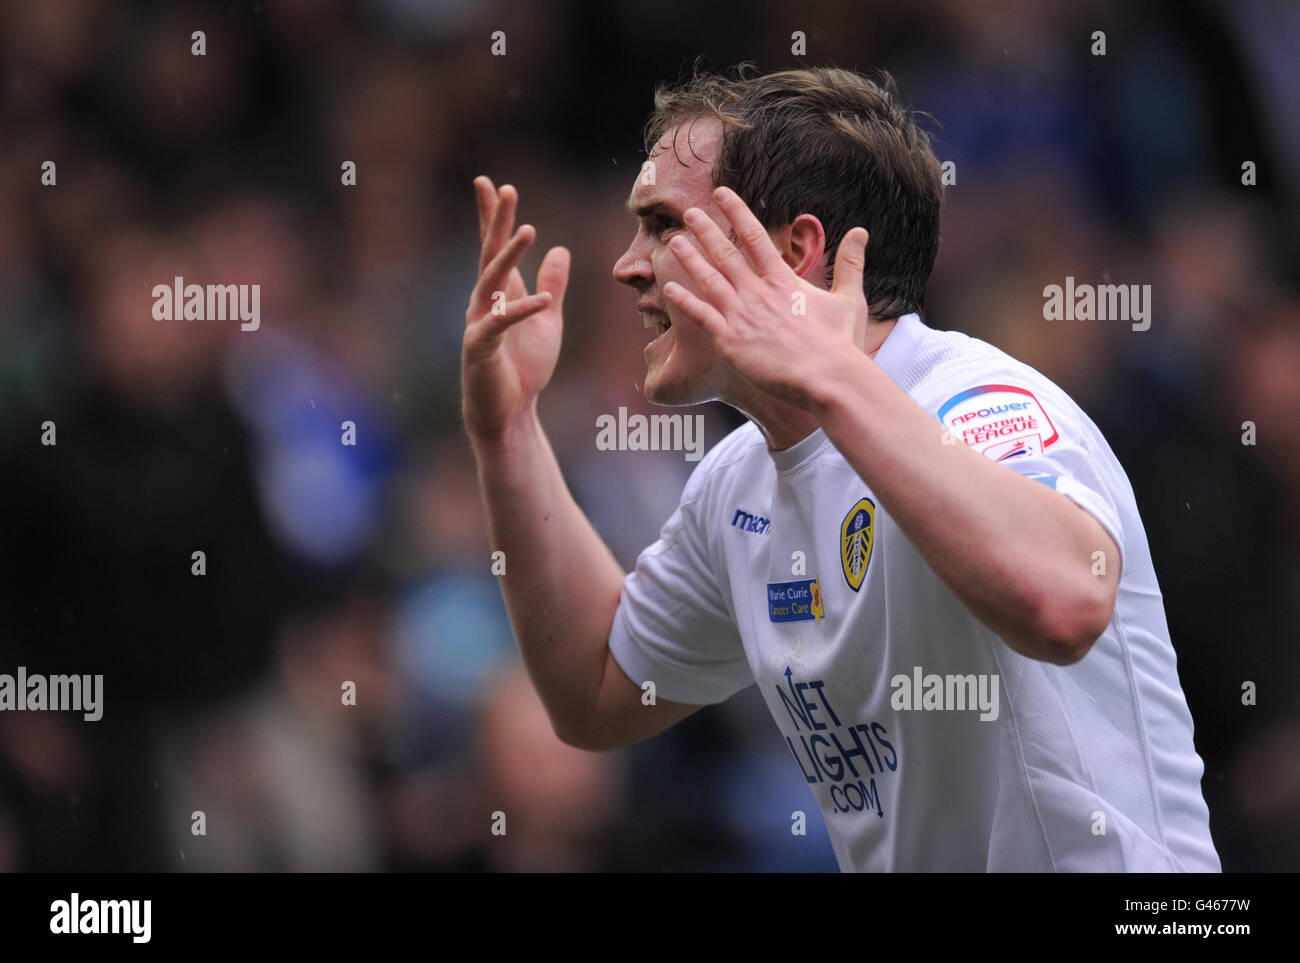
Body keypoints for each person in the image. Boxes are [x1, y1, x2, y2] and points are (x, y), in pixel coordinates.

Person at [460, 65, 1220, 871]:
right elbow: (599, 691)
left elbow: (1065, 602)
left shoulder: (979, 400)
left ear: (795, 250)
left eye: (662, 226)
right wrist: (509, 432)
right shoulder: (737, 484)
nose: (628, 265)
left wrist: (833, 379)